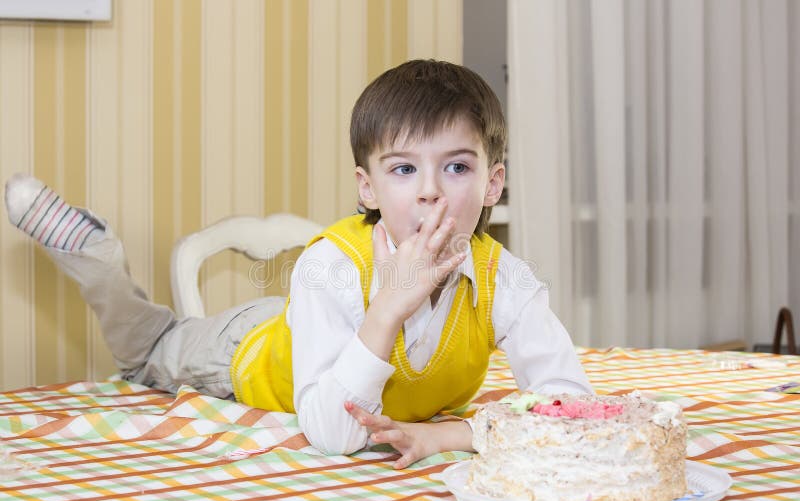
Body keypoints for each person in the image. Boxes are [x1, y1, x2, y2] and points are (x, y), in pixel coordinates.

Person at [4, 59, 591, 469]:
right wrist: (387, 308)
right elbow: (332, 435)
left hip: (311, 326)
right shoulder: (330, 264)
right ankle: (96, 256)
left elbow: (570, 408)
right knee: (145, 351)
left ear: (494, 183)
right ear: (368, 188)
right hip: (245, 349)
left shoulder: (505, 279)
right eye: (404, 169)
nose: (431, 193)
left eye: (457, 168)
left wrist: (449, 435)